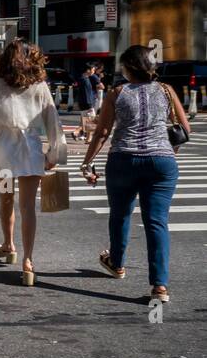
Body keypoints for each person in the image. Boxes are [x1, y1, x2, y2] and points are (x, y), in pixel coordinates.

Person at [79, 45, 189, 304]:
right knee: (157, 221)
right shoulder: (166, 90)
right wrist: (170, 147)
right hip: (162, 162)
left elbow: (103, 132)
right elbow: (184, 128)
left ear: (128, 68)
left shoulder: (118, 93)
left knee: (120, 214)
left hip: (123, 160)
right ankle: (159, 287)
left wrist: (87, 163)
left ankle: (117, 263)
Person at [0, 39, 68, 286]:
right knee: (28, 206)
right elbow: (53, 121)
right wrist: (54, 154)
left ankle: (8, 245)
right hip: (30, 151)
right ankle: (28, 261)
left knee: (6, 199)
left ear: (5, 59)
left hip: (4, 152)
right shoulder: (39, 86)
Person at [72, 63, 96, 140]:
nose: (94, 71)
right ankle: (77, 132)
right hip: (87, 103)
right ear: (88, 70)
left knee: (87, 120)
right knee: (91, 121)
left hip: (82, 103)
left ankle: (88, 139)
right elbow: (86, 93)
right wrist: (90, 105)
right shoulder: (85, 80)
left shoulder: (81, 78)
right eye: (93, 69)